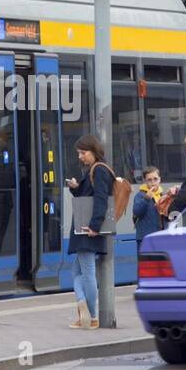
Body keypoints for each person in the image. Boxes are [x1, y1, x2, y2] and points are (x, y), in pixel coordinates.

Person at [66, 134, 113, 330]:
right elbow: (89, 195)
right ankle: (83, 309)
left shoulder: (99, 170)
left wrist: (94, 226)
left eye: (83, 153)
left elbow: (101, 199)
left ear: (94, 152)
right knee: (77, 272)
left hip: (88, 229)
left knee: (87, 273)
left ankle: (91, 316)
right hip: (86, 228)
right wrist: (76, 188)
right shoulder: (95, 170)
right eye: (79, 153)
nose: (80, 157)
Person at [132, 166, 163, 250]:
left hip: (160, 237)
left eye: (155, 179)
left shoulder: (162, 195)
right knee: (145, 263)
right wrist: (146, 199)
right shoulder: (140, 195)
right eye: (149, 180)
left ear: (159, 179)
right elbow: (136, 211)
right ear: (145, 181)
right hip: (145, 238)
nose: (153, 183)